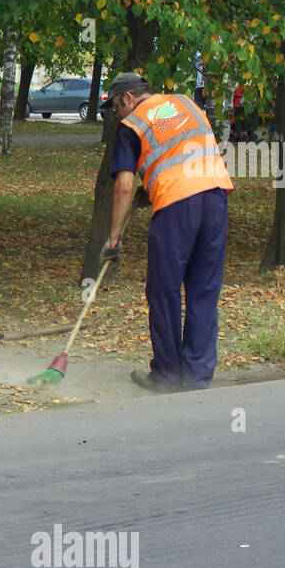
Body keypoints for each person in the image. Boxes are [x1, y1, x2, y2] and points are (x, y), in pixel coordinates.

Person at [98, 72, 234, 392]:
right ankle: (198, 374)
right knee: (203, 289)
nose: (116, 114)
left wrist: (114, 238)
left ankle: (168, 375)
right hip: (215, 198)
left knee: (164, 288)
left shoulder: (131, 126)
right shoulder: (188, 103)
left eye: (116, 106)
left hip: (176, 207)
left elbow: (124, 186)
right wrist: (155, 186)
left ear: (128, 98)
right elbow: (186, 148)